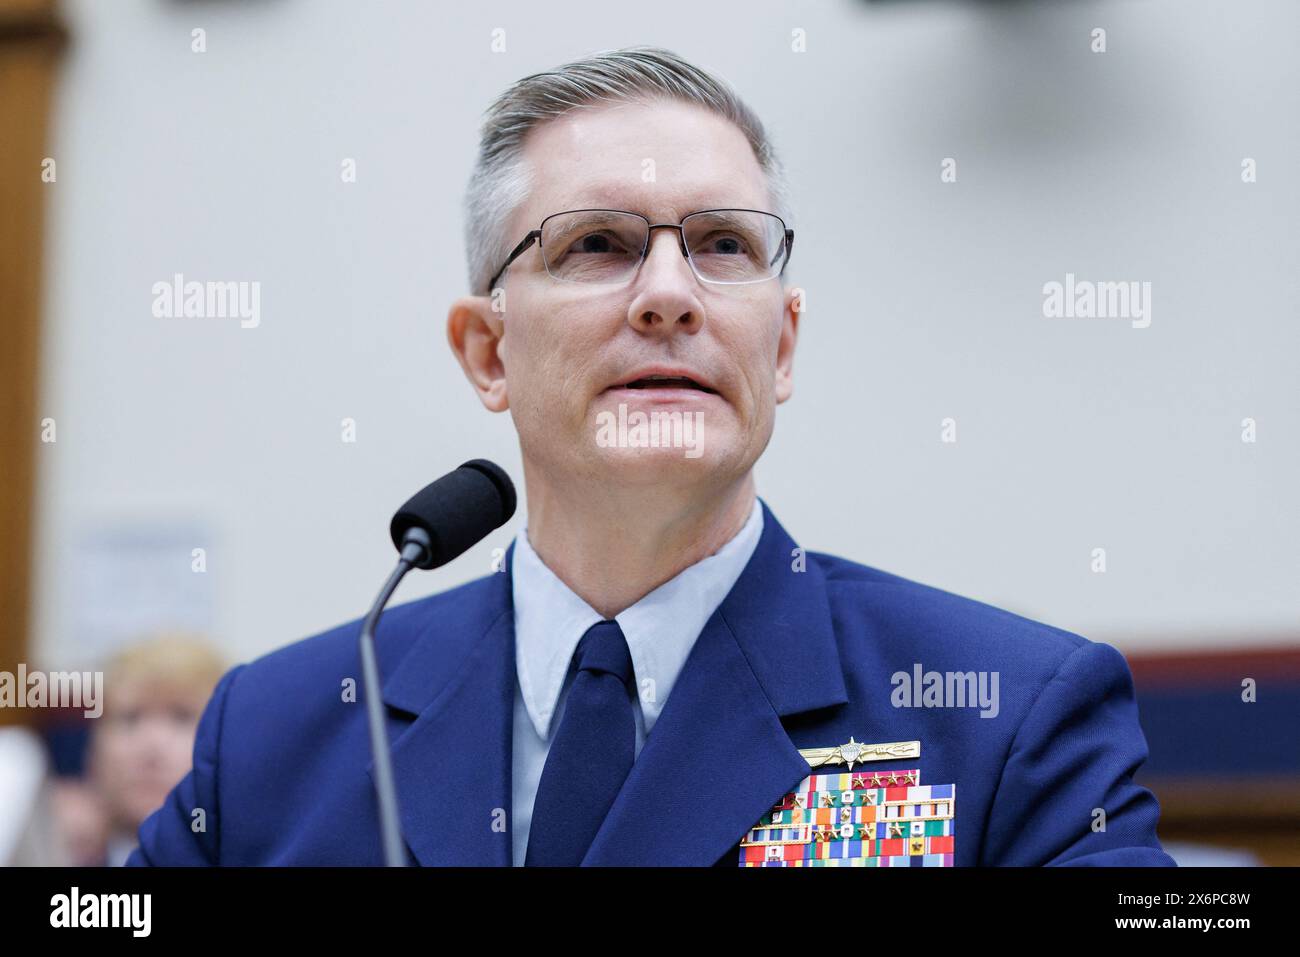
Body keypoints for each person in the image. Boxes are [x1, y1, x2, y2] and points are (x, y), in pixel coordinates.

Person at [128, 46, 1174, 867]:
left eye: (723, 244)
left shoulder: (1007, 711)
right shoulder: (275, 731)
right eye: (598, 244)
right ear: (487, 352)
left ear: (783, 341)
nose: (670, 293)